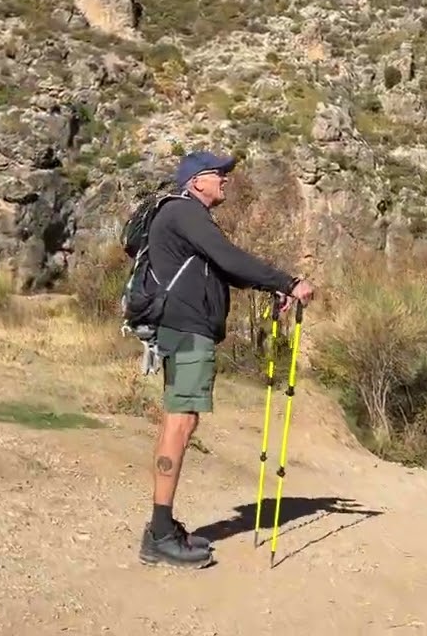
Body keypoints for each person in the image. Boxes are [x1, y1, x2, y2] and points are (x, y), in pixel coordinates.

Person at [138, 149, 315, 569]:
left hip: (184, 330)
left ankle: (161, 526)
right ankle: (160, 535)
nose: (225, 180)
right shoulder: (185, 212)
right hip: (187, 330)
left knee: (182, 419)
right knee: (180, 421)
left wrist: (270, 287)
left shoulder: (185, 217)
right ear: (196, 181)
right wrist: (288, 281)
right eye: (218, 174)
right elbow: (229, 256)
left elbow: (224, 268)